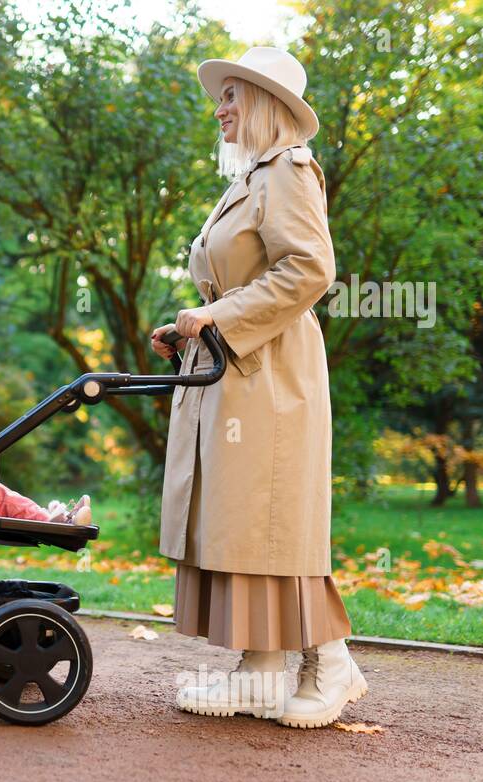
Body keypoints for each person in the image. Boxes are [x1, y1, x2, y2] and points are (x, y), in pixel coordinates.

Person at [150, 47, 366, 729]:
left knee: (275, 522)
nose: (219, 109)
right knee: (244, 522)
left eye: (232, 97)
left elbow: (309, 270)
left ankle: (331, 665)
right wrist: (192, 326)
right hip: (237, 367)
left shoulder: (290, 171)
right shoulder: (251, 178)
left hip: (272, 374)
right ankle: (262, 672)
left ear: (266, 104)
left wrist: (219, 316)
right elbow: (241, 279)